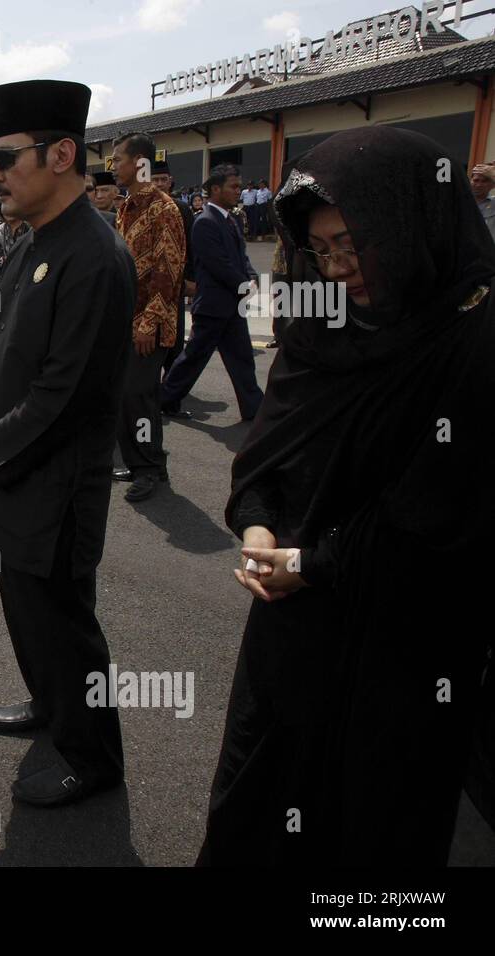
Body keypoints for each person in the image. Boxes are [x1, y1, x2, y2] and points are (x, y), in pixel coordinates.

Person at [198, 127, 495, 865]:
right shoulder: (321, 323)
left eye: (353, 244)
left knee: (372, 820)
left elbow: (443, 510)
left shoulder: (474, 333)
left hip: (405, 637)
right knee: (256, 799)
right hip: (291, 623)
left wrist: (323, 563)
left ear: (410, 222)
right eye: (321, 250)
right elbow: (271, 443)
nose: (338, 267)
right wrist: (261, 525)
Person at [0, 79, 136, 808]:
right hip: (8, 477)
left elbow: (67, 394)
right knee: (27, 613)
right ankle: (52, 705)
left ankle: (92, 758)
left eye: (4, 156)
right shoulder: (32, 242)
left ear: (61, 154)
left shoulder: (94, 254)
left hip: (54, 486)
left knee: (64, 624)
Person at [110, 133, 185, 503]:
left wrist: (148, 322)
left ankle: (148, 468)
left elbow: (167, 270)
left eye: (118, 159)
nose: (113, 166)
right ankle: (148, 462)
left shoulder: (164, 209)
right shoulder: (126, 208)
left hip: (149, 324)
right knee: (129, 397)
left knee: (137, 396)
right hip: (126, 321)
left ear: (140, 162)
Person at [161, 164, 265, 421]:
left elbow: (240, 257)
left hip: (231, 305)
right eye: (233, 186)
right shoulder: (205, 222)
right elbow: (218, 263)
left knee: (242, 360)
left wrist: (251, 277)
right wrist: (244, 285)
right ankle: (163, 400)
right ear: (215, 189)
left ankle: (255, 409)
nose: (238, 191)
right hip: (213, 306)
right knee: (194, 358)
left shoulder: (232, 219)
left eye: (239, 186)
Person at [151, 159, 197, 406]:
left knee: (175, 339)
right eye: (155, 180)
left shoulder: (182, 209)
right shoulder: (144, 208)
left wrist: (191, 278)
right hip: (149, 289)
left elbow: (190, 246)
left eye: (163, 180)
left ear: (170, 182)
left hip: (175, 285)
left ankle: (170, 391)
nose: (159, 184)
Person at [470, 162, 495, 241]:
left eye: (484, 181)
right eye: (476, 180)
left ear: (493, 185)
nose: (479, 185)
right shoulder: (459, 201)